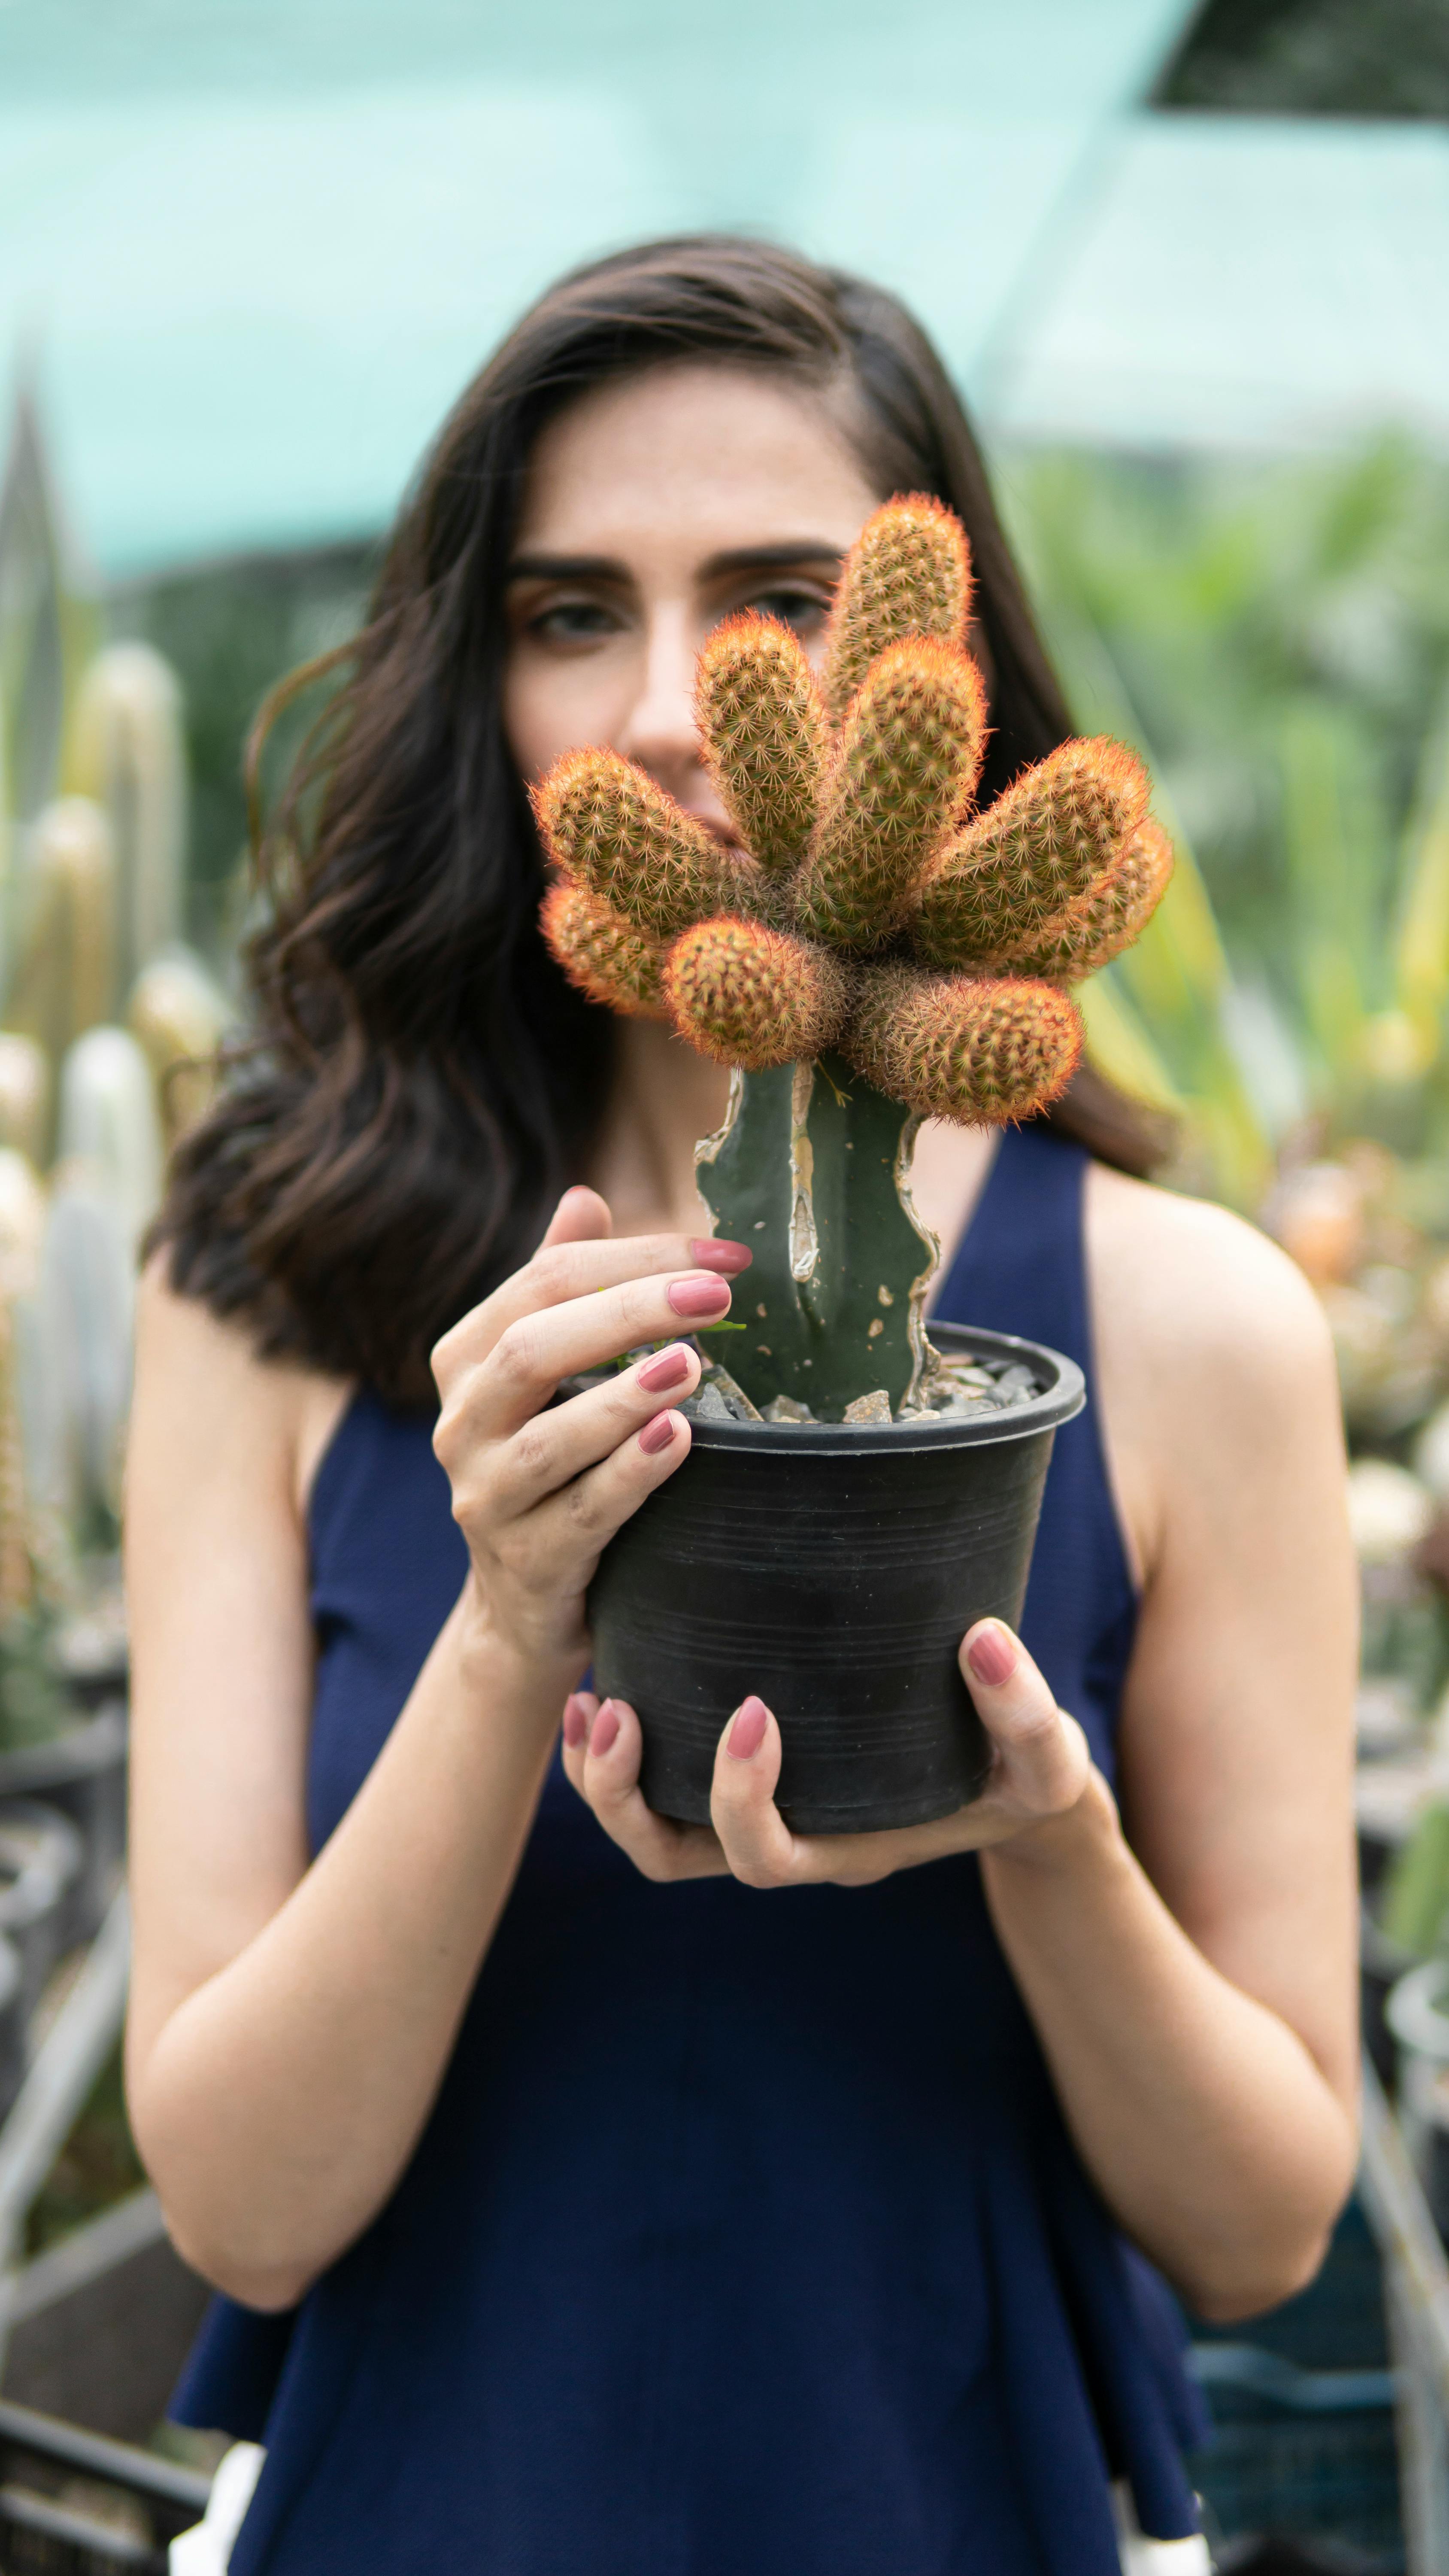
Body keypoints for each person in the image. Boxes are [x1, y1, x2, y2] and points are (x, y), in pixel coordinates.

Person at [126, 238, 1358, 2576]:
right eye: (572, 610)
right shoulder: (274, 1291)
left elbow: (1263, 2236)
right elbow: (241, 2212)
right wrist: (510, 1627)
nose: (676, 704)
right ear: (477, 678)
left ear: (944, 666)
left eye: (781, 598)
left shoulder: (1188, 1333)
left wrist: (1042, 1833)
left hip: (958, 2509)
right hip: (425, 2509)